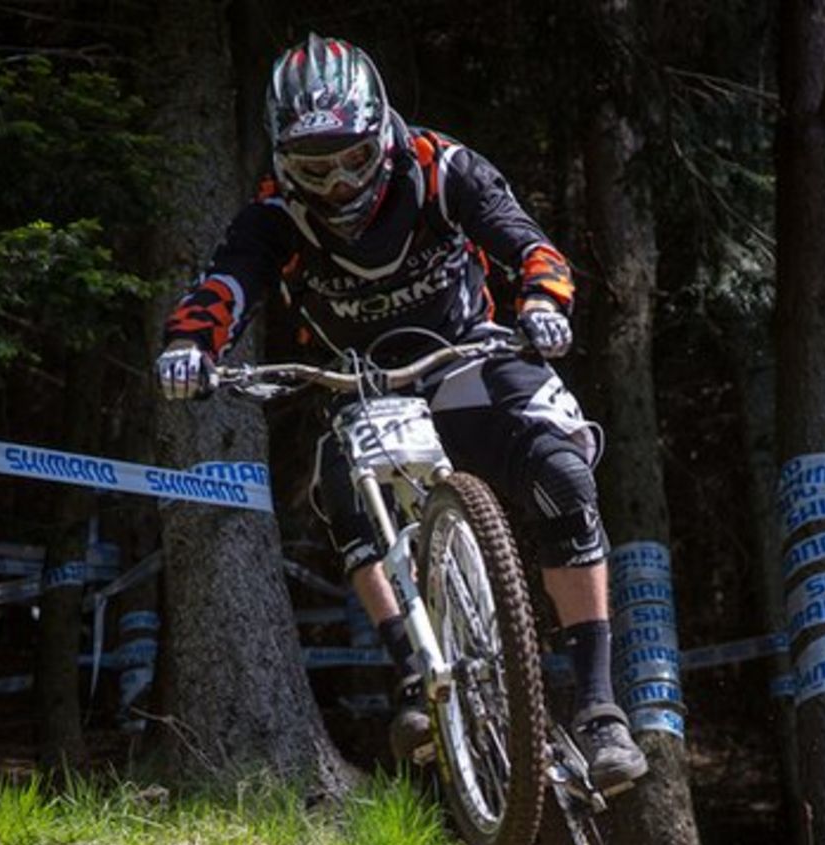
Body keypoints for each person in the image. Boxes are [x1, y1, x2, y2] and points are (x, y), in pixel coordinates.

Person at [155, 32, 647, 793]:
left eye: (353, 158)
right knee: (340, 490)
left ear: (381, 132)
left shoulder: (440, 167)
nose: (339, 181)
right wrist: (191, 344)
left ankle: (599, 705)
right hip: (364, 384)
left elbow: (528, 245)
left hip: (471, 355)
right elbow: (227, 283)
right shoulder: (275, 215)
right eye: (316, 167)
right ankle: (416, 673)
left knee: (562, 471)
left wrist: (545, 302)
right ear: (286, 161)